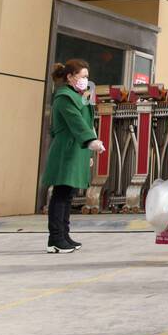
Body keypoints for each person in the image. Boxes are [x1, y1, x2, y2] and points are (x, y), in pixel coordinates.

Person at [42, 59, 105, 253]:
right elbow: (76, 122)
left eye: (87, 77)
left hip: (75, 149)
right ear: (70, 77)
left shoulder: (76, 96)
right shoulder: (64, 97)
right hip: (66, 150)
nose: (86, 80)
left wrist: (87, 150)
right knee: (60, 194)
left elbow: (84, 122)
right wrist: (90, 141)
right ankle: (55, 239)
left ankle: (64, 235)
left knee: (67, 195)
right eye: (83, 76)